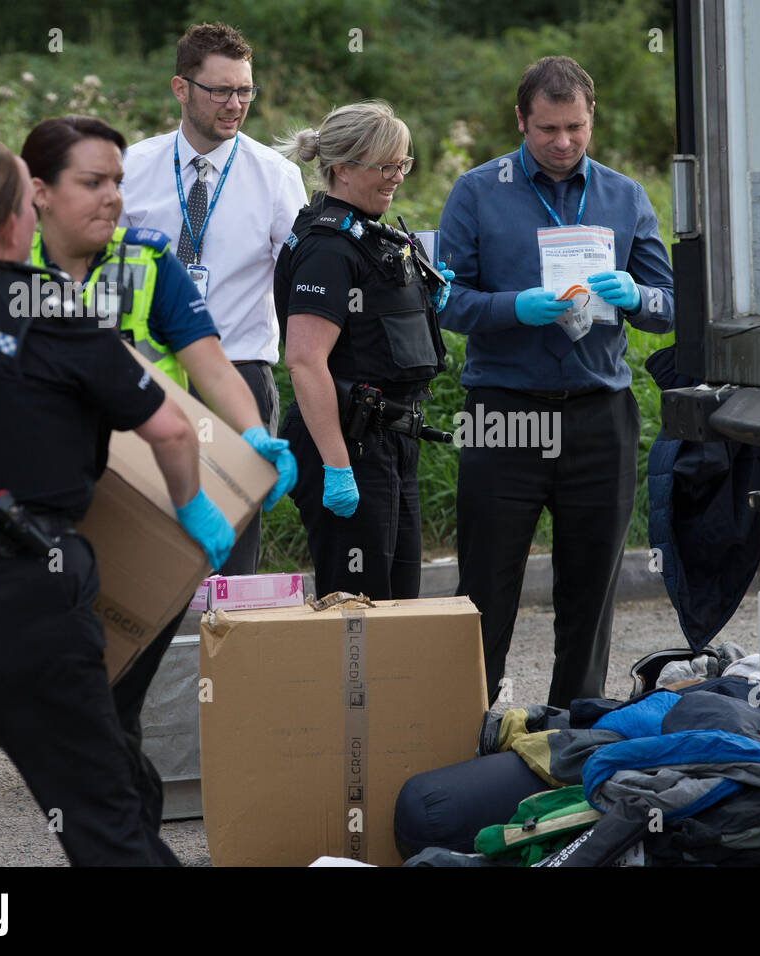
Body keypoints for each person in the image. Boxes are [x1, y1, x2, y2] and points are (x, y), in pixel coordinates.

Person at [0, 141, 219, 865]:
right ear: (9, 220)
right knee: (100, 807)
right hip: (12, 590)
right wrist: (192, 513)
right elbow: (173, 429)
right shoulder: (44, 304)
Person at [22, 114, 296, 832]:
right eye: (93, 182)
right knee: (70, 707)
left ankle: (125, 835)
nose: (114, 196)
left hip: (149, 506)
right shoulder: (1, 268)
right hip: (34, 515)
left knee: (114, 703)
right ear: (38, 191)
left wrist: (255, 435)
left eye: (117, 180)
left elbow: (208, 357)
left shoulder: (147, 259)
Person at [438, 56, 675, 708]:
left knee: (591, 592)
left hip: (600, 414)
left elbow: (673, 306)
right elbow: (444, 302)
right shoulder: (478, 192)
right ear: (521, 121)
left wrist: (635, 295)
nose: (563, 142)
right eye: (547, 129)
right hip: (504, 409)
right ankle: (469, 732)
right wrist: (513, 307)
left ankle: (572, 738)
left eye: (575, 127)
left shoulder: (625, 196)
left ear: (591, 118)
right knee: (485, 586)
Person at [119, 21, 309, 576]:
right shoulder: (134, 168)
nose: (235, 104)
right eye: (221, 90)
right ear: (182, 89)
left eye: (245, 91)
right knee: (144, 541)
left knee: (231, 557)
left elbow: (298, 282)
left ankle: (226, 661)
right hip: (149, 371)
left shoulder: (276, 176)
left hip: (239, 374)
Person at [274, 101, 454, 599]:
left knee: (397, 605)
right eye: (386, 166)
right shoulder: (329, 247)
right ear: (343, 168)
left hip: (390, 442)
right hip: (350, 445)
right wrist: (336, 467)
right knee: (357, 611)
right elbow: (305, 361)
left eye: (403, 164)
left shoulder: (370, 234)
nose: (397, 177)